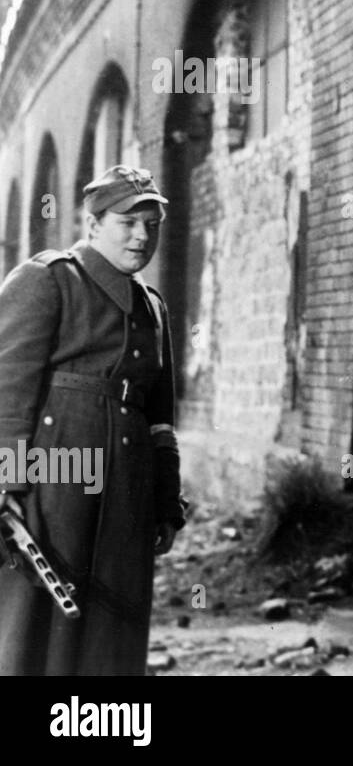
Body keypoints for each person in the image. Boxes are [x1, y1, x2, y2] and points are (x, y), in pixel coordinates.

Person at [0, 165, 185, 675]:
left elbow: (160, 420)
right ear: (93, 224)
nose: (142, 235)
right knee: (38, 623)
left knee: (113, 624)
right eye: (128, 222)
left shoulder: (153, 307)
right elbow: (8, 390)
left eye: (152, 223)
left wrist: (166, 502)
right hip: (55, 480)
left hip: (127, 490)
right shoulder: (49, 280)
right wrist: (5, 483)